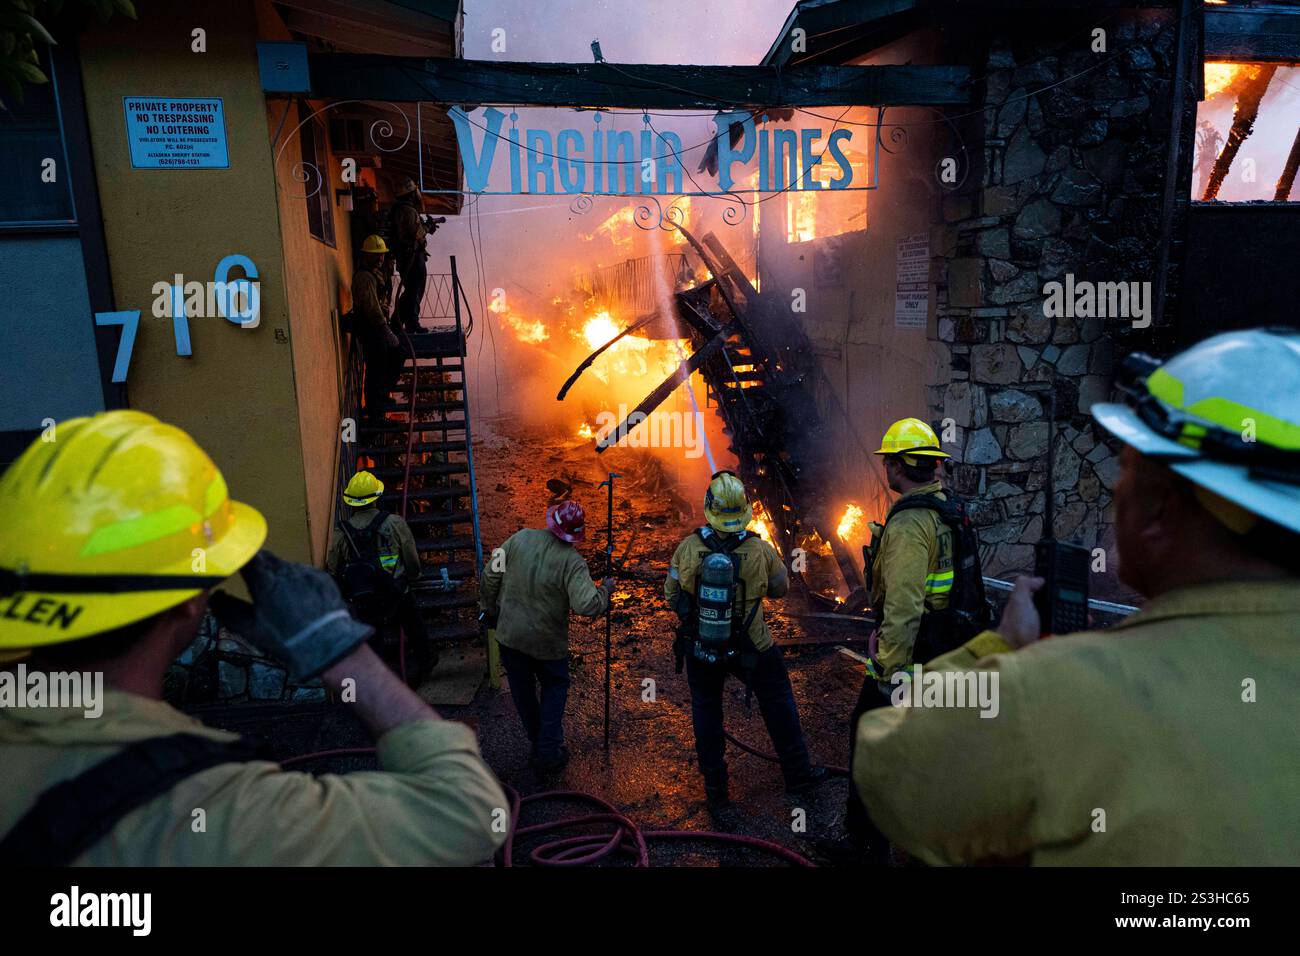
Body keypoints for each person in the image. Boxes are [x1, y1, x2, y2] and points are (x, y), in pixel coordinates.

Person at [853, 327, 1300, 865]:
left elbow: (890, 769)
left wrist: (993, 648)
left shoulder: (1054, 693)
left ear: (1161, 507)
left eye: (1128, 470)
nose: (1115, 490)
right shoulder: (951, 509)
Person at [0, 410, 507, 865]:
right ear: (190, 597)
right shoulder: (219, 810)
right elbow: (470, 811)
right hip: (391, 602)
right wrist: (342, 653)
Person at [837, 417, 988, 861]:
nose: (885, 468)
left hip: (915, 655)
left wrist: (887, 672)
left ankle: (866, 846)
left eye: (888, 461)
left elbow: (903, 609)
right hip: (952, 650)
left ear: (900, 466)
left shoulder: (909, 525)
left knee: (868, 733)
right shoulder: (951, 510)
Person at [665, 471, 827, 814]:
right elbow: (781, 589)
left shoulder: (688, 548)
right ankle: (798, 774)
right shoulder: (760, 549)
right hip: (752, 645)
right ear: (744, 511)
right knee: (778, 700)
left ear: (709, 508)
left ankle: (716, 789)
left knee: (706, 709)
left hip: (700, 645)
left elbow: (671, 595)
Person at [478, 499, 613, 774]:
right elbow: (586, 605)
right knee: (555, 688)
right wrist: (605, 592)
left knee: (523, 692)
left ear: (552, 522)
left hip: (510, 637)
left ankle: (538, 743)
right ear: (576, 535)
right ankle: (548, 751)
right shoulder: (573, 563)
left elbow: (490, 575)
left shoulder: (520, 539)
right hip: (547, 644)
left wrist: (490, 610)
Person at [326, 470, 436, 685]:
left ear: (351, 502)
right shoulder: (394, 523)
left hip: (362, 598)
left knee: (372, 635)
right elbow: (411, 558)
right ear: (377, 497)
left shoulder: (341, 532)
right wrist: (413, 577)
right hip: (395, 591)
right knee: (414, 624)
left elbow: (332, 568)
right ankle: (425, 660)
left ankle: (379, 677)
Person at [351, 234, 403, 424]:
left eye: (381, 255)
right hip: (370, 328)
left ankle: (380, 397)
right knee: (375, 368)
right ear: (366, 255)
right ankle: (375, 412)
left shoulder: (375, 274)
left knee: (396, 355)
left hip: (377, 327)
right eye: (376, 255)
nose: (380, 258)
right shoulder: (364, 278)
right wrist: (386, 331)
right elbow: (372, 309)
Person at [388, 177, 441, 334]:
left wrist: (426, 227)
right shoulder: (408, 210)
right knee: (414, 291)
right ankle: (411, 323)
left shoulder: (400, 209)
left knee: (412, 290)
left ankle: (397, 322)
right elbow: (416, 234)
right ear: (411, 194)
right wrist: (428, 227)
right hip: (411, 257)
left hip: (408, 257)